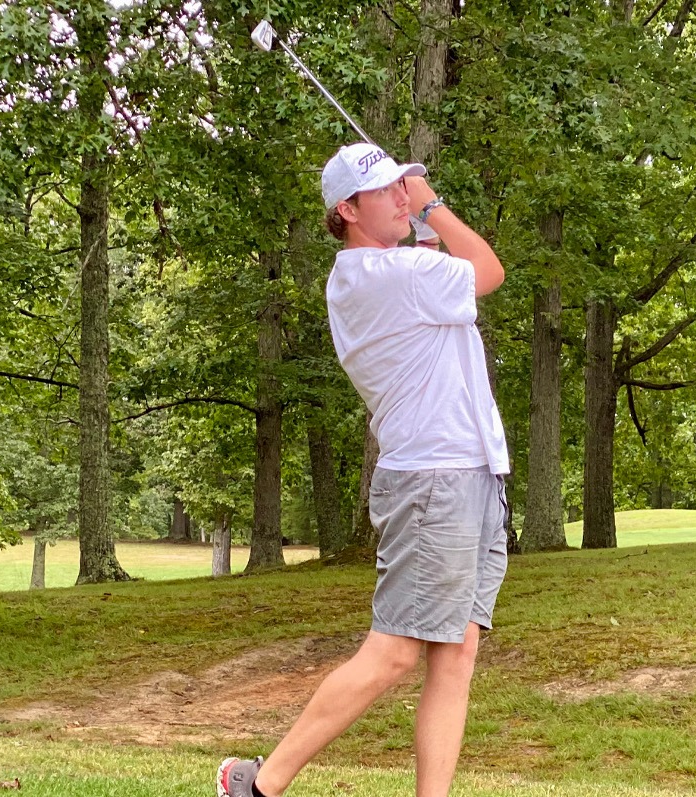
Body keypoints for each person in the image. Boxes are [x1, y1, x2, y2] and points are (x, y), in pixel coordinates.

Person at [216, 142, 509, 797]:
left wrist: (416, 208)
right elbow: (486, 268)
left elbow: (441, 257)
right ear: (347, 209)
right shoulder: (385, 275)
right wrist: (432, 201)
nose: (402, 197)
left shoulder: (390, 270)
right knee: (395, 651)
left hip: (471, 472)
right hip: (436, 480)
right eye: (386, 191)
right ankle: (258, 783)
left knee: (456, 653)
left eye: (401, 188)